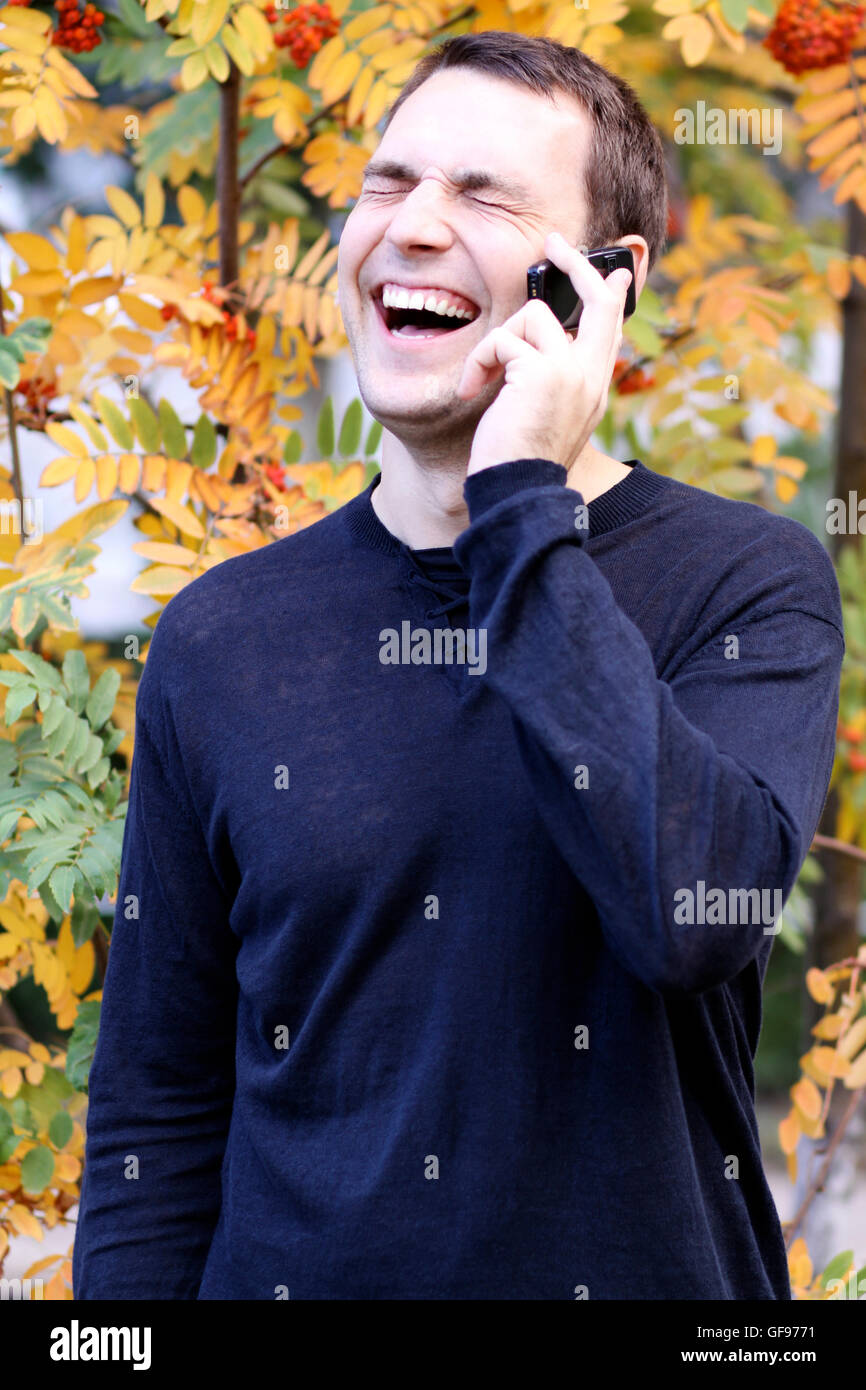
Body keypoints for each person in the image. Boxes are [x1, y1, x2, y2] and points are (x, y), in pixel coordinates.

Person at [73, 30, 844, 1301]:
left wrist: (518, 500)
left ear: (605, 283)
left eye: (483, 196)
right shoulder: (220, 636)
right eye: (388, 183)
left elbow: (684, 913)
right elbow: (159, 1109)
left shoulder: (746, 584)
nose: (411, 226)